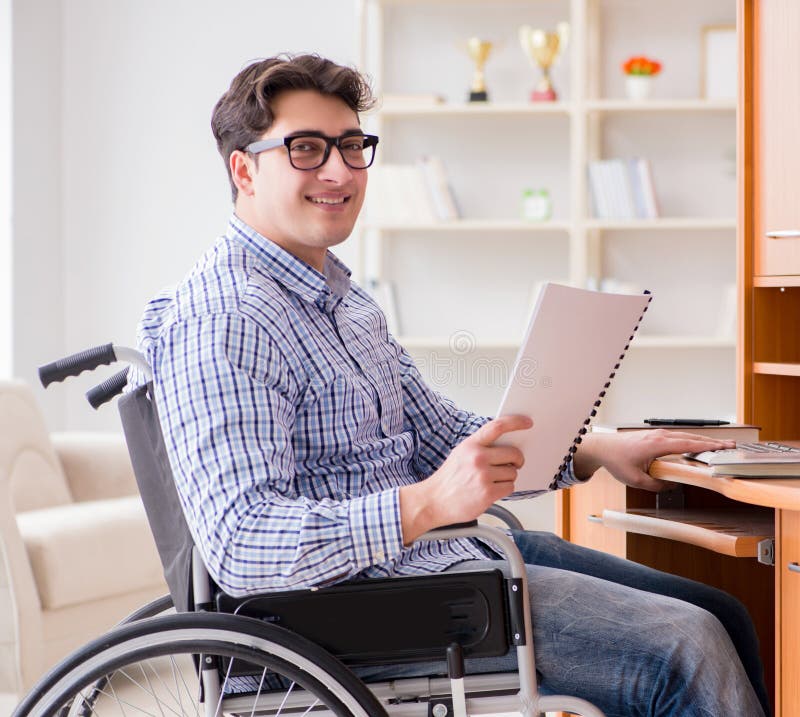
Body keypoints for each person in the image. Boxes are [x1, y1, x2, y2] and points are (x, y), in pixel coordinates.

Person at [135, 54, 769, 716]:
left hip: (436, 566)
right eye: (307, 149)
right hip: (361, 609)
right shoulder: (224, 316)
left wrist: (595, 446)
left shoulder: (346, 302)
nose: (340, 170)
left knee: (721, 608)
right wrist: (427, 504)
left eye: (352, 147)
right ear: (244, 168)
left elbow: (442, 435)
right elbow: (243, 540)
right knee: (688, 647)